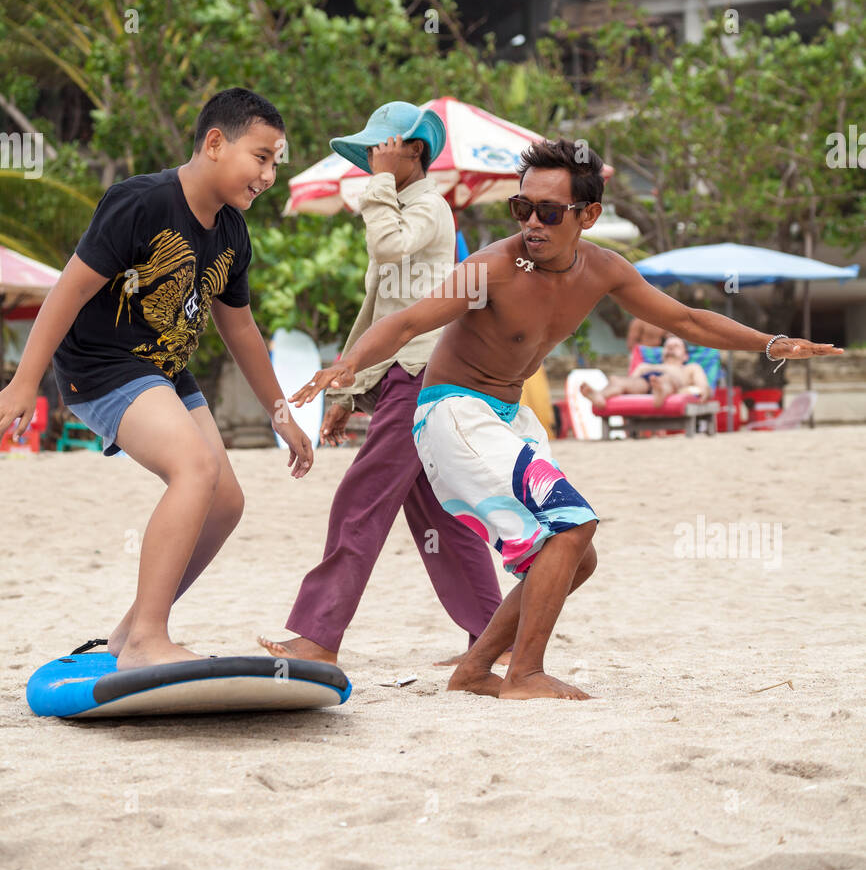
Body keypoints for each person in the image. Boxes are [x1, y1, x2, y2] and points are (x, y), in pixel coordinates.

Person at [290, 137, 843, 702]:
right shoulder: (494, 269)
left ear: (588, 215)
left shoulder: (603, 270)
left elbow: (686, 320)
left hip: (508, 417)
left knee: (577, 554)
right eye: (522, 208)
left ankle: (477, 669)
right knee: (572, 523)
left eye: (549, 212)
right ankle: (524, 675)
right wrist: (349, 365)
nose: (532, 222)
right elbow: (411, 321)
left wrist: (771, 342)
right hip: (453, 411)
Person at [0, 88, 313, 670]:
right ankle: (149, 636)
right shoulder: (140, 203)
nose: (270, 175)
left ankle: (129, 632)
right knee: (193, 469)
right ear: (215, 143)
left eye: (276, 162)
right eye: (262, 157)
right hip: (100, 365)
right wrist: (25, 381)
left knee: (225, 501)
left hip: (164, 368)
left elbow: (240, 330)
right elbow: (67, 289)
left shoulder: (232, 235)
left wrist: (281, 413)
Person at [258, 101, 503, 667]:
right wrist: (345, 394)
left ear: (413, 150)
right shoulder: (397, 204)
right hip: (405, 375)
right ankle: (496, 637)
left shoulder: (430, 207)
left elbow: (387, 245)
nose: (371, 158)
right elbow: (376, 312)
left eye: (380, 148)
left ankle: (319, 636)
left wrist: (379, 189)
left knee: (359, 501)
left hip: (423, 375)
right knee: (442, 515)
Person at [580, 334, 711, 408]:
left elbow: (704, 388)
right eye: (667, 346)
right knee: (618, 381)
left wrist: (696, 392)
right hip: (646, 381)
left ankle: (659, 392)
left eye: (675, 346)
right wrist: (622, 384)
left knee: (665, 380)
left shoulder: (691, 368)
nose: (670, 348)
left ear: (685, 356)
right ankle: (599, 396)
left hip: (671, 381)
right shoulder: (645, 366)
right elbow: (630, 382)